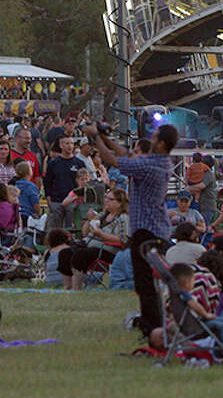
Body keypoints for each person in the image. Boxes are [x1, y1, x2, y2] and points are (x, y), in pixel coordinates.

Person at [85, 121, 177, 341]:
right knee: (148, 283)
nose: (150, 140)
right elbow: (127, 154)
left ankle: (152, 330)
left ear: (161, 143)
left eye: (154, 137)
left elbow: (113, 160)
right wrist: (106, 138)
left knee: (145, 284)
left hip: (147, 232)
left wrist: (96, 136)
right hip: (155, 230)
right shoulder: (160, 162)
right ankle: (153, 326)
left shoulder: (149, 166)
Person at [70, 188, 129, 290]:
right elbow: (85, 233)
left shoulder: (123, 218)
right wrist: (89, 220)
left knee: (81, 253)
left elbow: (123, 240)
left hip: (110, 250)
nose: (106, 201)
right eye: (106, 197)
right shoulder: (102, 215)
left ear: (119, 203)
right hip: (90, 243)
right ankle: (67, 286)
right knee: (67, 250)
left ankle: (77, 288)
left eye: (110, 199)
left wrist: (101, 235)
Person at [43, 135, 85, 231]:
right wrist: (48, 198)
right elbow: (47, 181)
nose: (70, 146)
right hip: (56, 201)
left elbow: (85, 181)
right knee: (56, 230)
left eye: (71, 143)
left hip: (73, 201)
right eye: (67, 143)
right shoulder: (53, 163)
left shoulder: (79, 163)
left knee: (71, 229)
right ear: (61, 145)